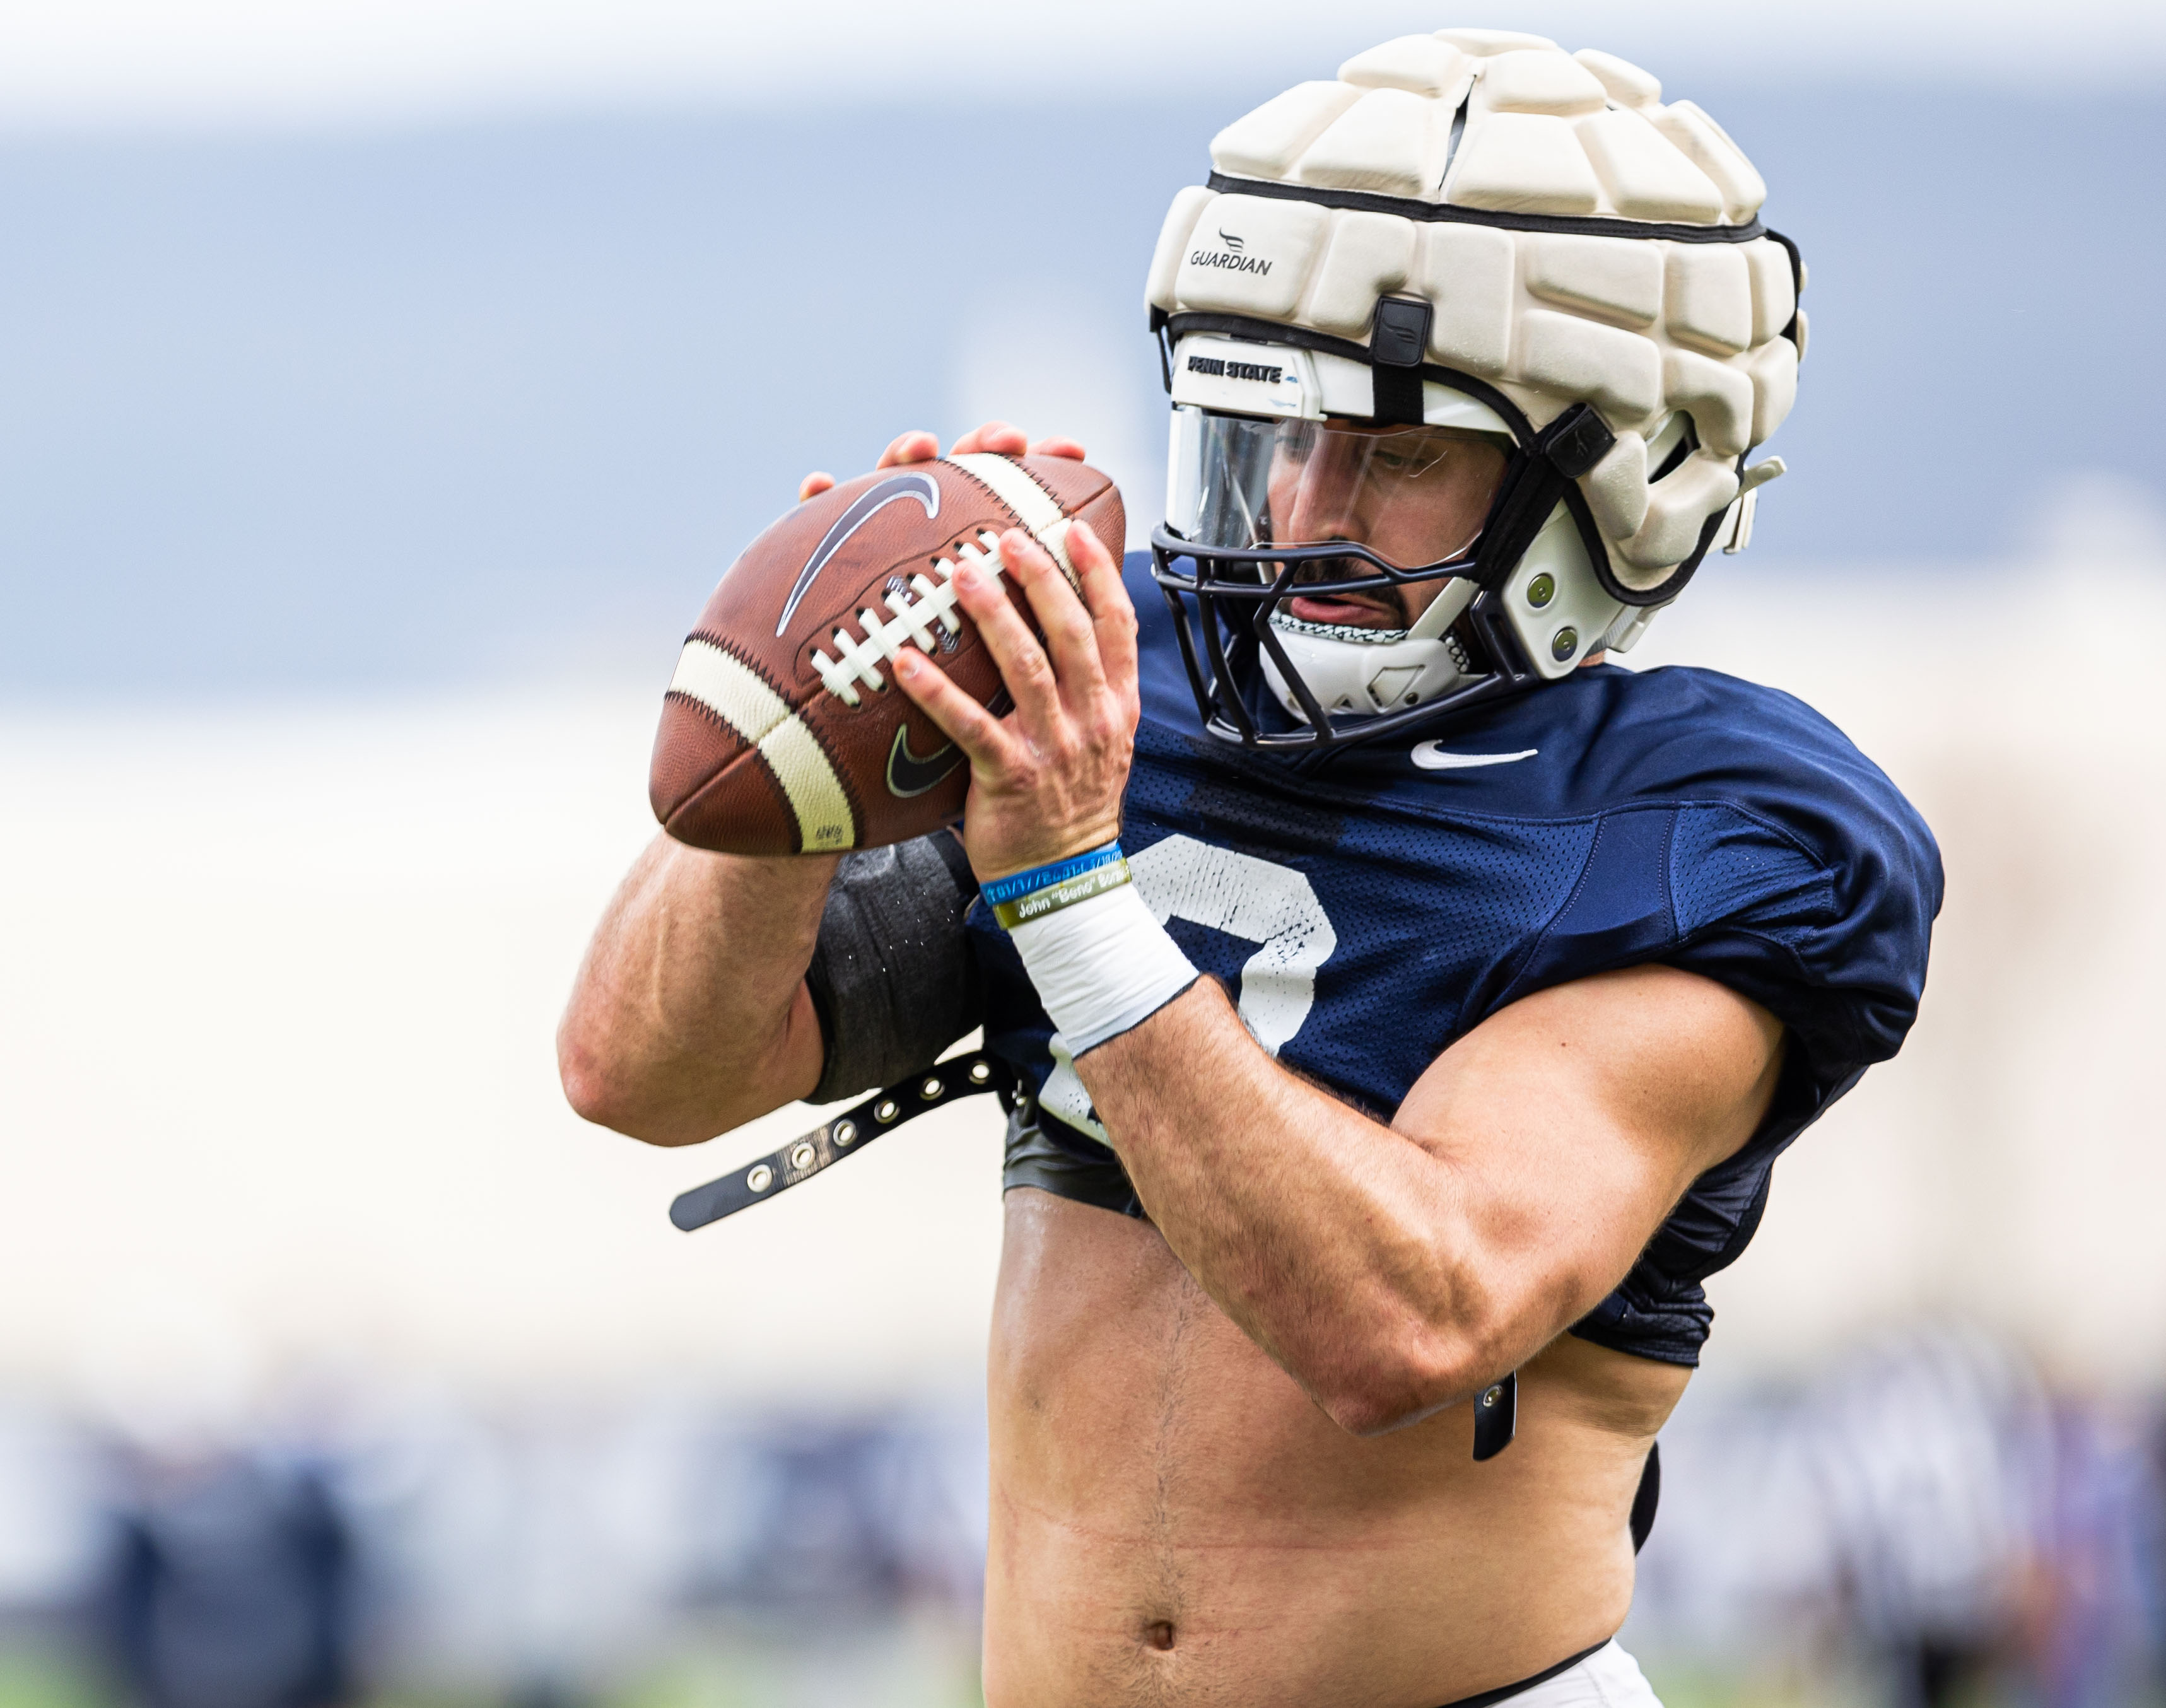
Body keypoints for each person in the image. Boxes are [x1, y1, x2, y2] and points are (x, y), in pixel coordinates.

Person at [559, 29, 1941, 1708]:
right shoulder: (1119, 686)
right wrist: (807, 748)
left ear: (1613, 478)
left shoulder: (1698, 824)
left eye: (1397, 447)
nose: (1303, 501)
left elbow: (1413, 1320)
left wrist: (1071, 890)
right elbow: (647, 1069)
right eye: (1269, 424)